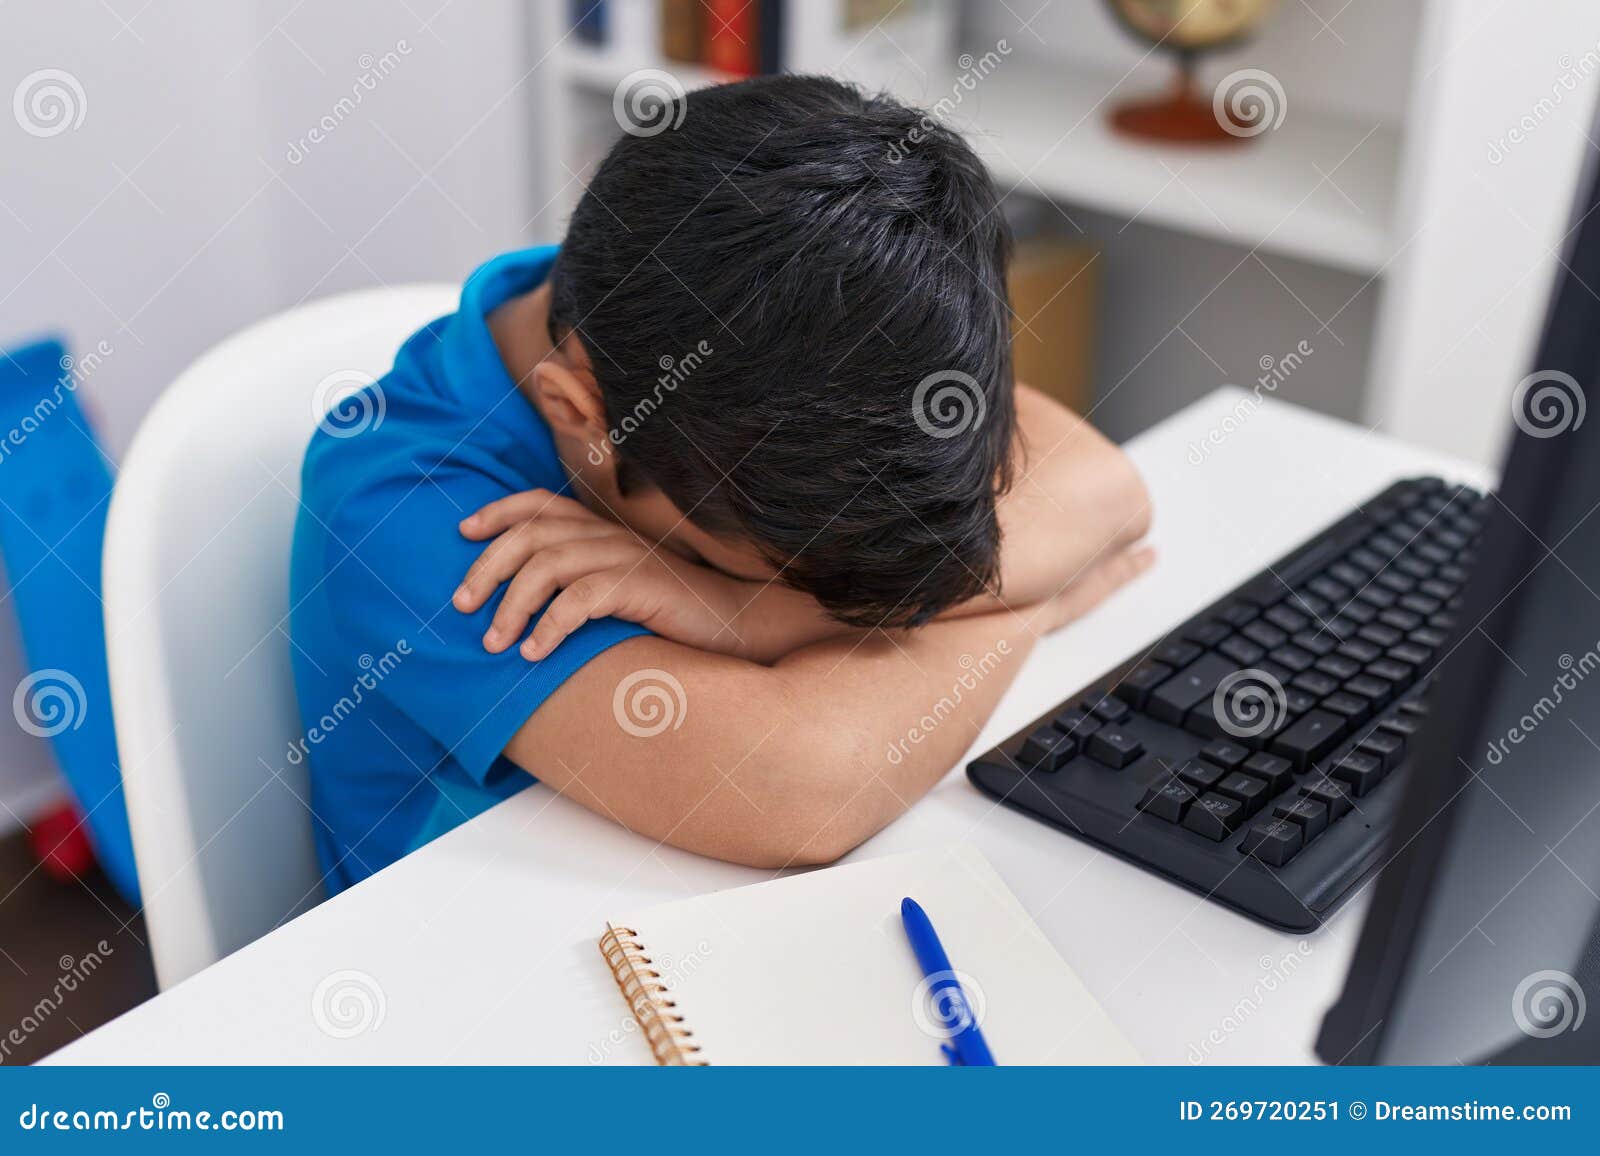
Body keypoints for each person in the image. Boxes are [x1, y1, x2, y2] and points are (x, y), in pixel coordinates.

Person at [288, 74, 1152, 893]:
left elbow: (1105, 487)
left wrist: (748, 613)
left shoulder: (759, 295)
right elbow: (802, 790)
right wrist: (1024, 604)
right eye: (772, 568)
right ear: (580, 412)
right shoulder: (404, 503)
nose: (828, 601)